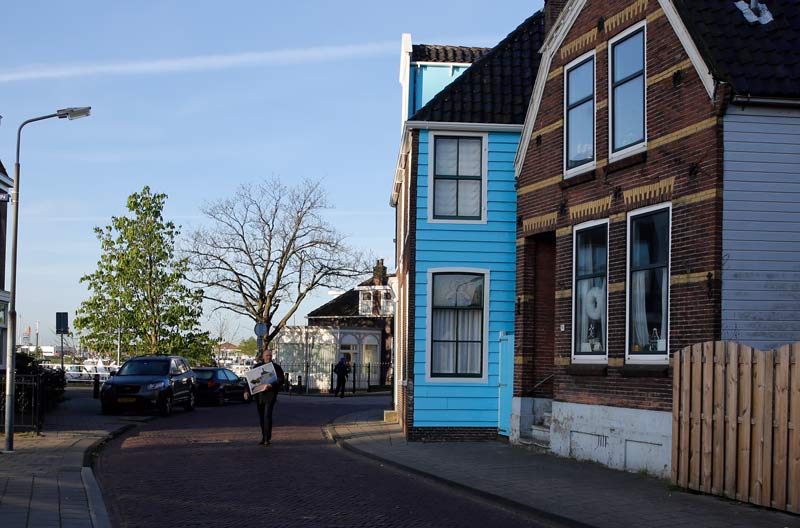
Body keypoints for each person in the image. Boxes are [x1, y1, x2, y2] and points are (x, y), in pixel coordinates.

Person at [243, 349, 285, 446]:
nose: (268, 357)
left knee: (267, 415)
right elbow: (250, 381)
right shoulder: (257, 367)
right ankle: (264, 437)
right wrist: (246, 391)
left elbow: (281, 380)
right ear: (263, 356)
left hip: (270, 395)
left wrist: (270, 385)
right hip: (259, 395)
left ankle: (267, 439)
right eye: (267, 355)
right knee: (262, 416)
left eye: (270, 355)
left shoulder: (276, 367)